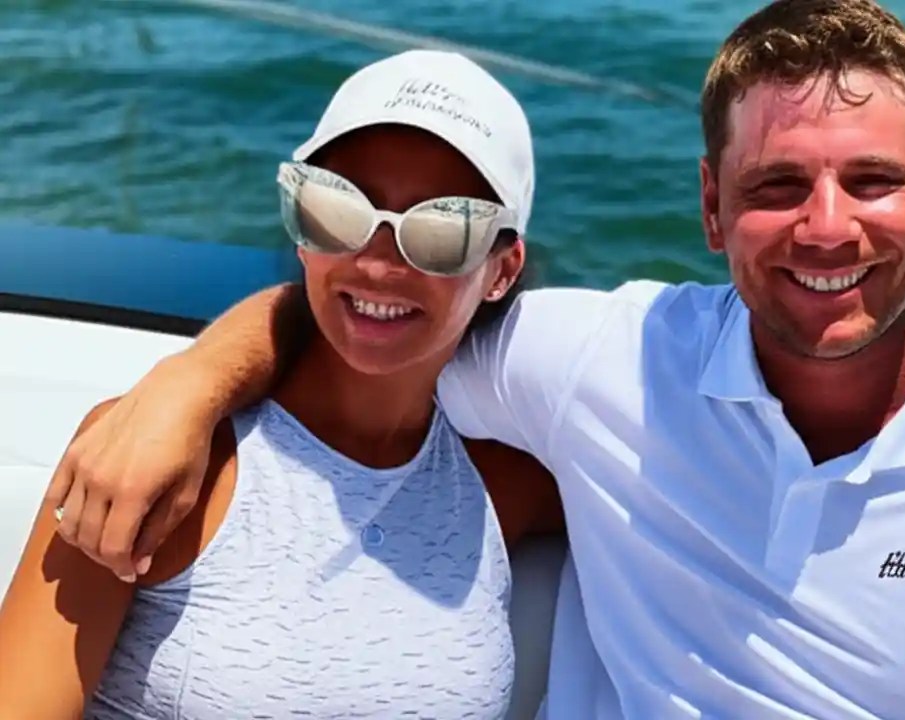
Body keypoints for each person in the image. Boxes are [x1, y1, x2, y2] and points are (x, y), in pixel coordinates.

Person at [21, 1, 905, 718]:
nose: (828, 227)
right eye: (775, 186)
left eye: (874, 181)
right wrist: (182, 383)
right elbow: (371, 321)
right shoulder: (600, 364)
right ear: (707, 204)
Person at [0, 50, 564, 717]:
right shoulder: (157, 459)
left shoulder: (506, 485)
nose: (378, 261)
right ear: (300, 228)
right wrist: (190, 382)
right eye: (338, 208)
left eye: (443, 228)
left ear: (503, 270)